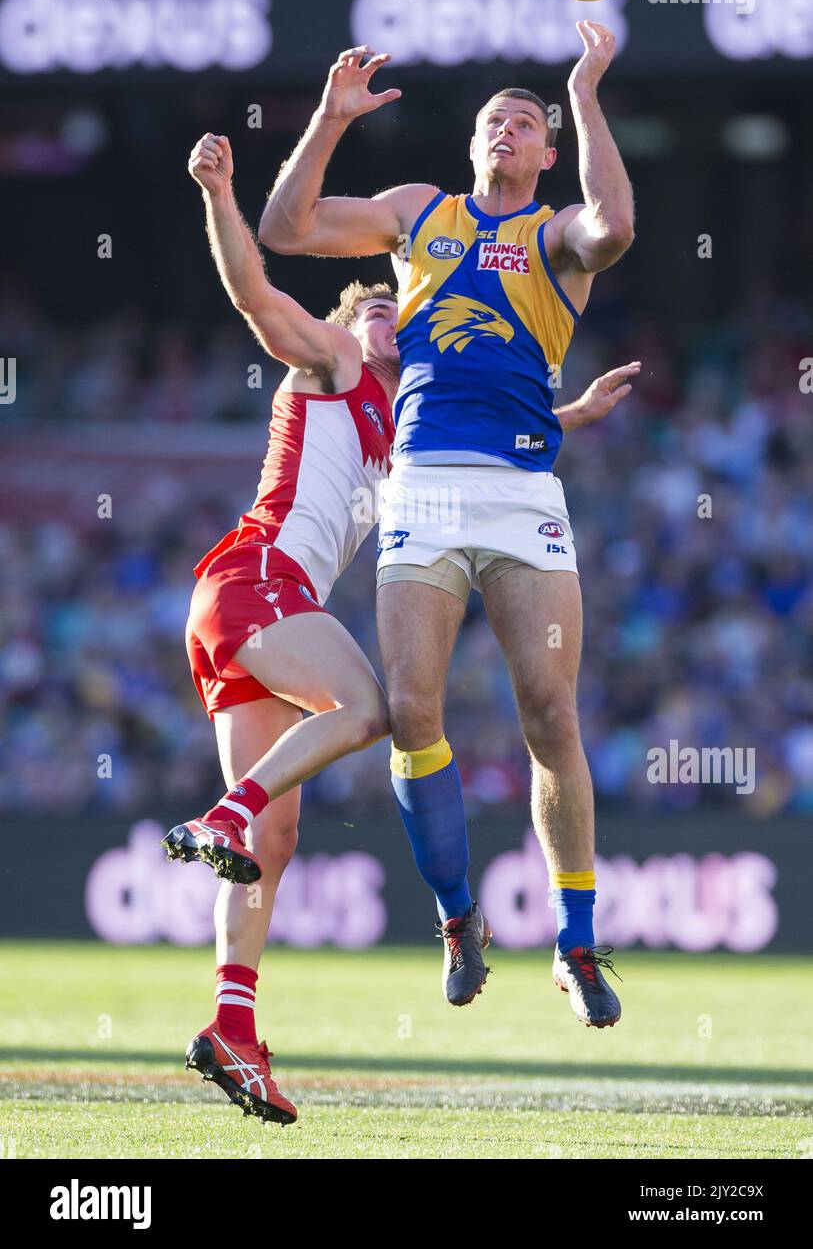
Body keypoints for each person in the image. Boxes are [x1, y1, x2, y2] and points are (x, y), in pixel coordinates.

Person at [163, 130, 638, 1123]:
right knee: (376, 706)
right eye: (378, 304)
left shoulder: (398, 427)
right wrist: (221, 194)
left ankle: (232, 1026)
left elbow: (480, 411)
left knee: (280, 839)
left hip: (246, 612)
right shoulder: (333, 361)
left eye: (395, 306)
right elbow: (256, 289)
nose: (390, 315)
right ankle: (223, 814)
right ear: (355, 323)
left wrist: (569, 414)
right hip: (259, 584)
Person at [259, 23, 634, 1026]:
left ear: (546, 150)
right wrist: (328, 122)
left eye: (525, 121)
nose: (506, 129)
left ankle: (578, 942)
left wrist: (584, 93)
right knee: (413, 711)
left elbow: (617, 229)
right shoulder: (420, 214)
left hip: (522, 493)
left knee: (550, 714)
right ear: (472, 146)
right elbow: (286, 230)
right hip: (421, 488)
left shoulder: (557, 233)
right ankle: (459, 918)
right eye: (492, 120)